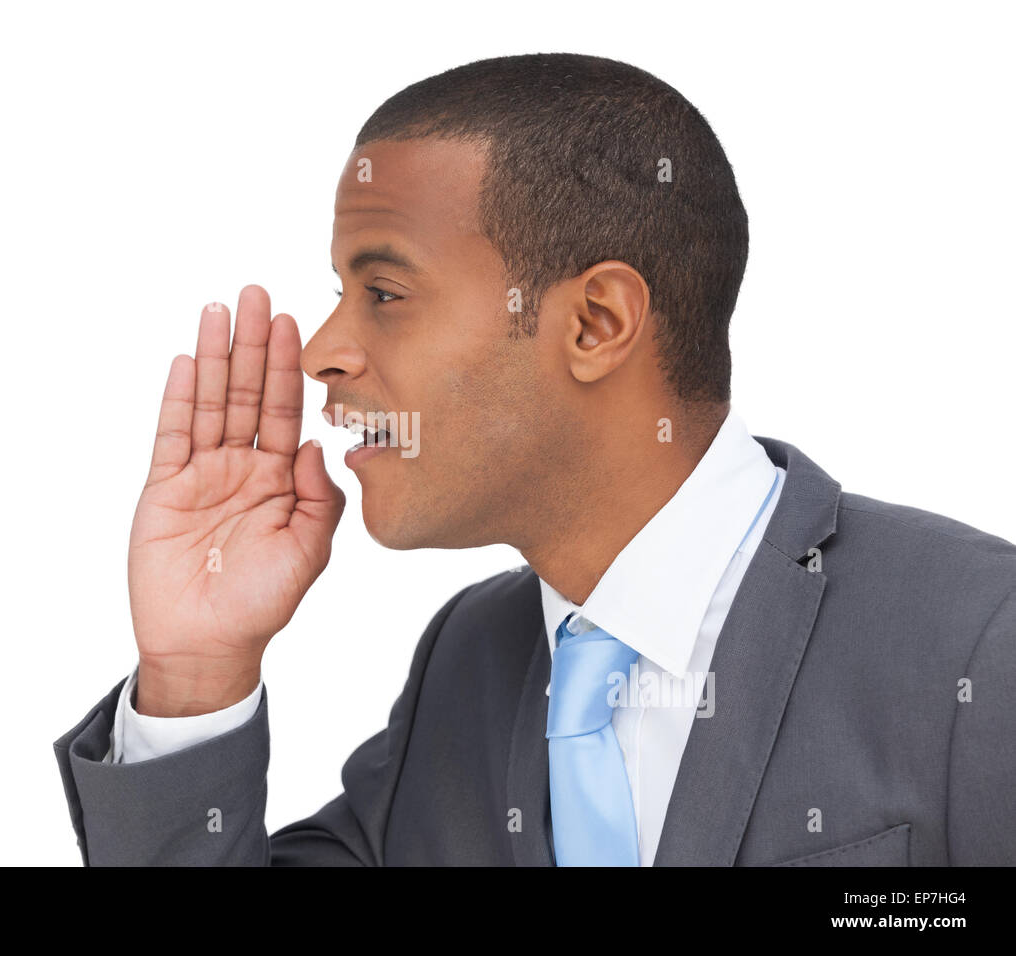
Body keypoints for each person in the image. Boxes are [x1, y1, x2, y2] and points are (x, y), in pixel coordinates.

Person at [52, 53, 1016, 866]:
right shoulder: (466, 661)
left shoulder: (978, 641)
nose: (323, 352)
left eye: (384, 291)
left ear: (595, 322)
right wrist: (196, 673)